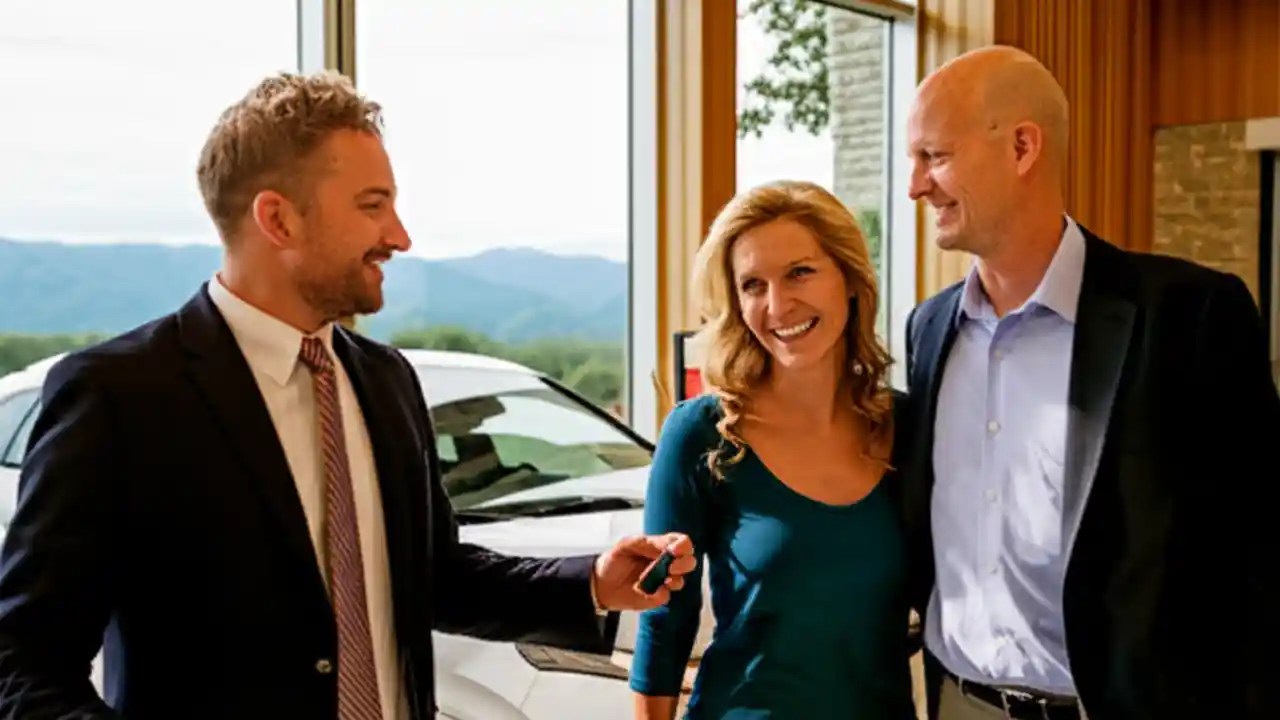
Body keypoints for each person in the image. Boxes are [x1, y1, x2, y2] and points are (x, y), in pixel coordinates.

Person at [0, 70, 696, 720]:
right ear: (278, 220)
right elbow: (25, 667)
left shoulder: (387, 380)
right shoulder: (117, 397)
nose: (400, 236)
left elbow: (435, 578)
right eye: (373, 206)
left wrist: (590, 581)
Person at [899, 45, 1280, 720]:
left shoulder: (1191, 316)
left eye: (935, 156)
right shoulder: (928, 330)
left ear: (1022, 147)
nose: (914, 186)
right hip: (958, 702)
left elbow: (1260, 557)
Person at [629, 180, 916, 719]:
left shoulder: (907, 428)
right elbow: (663, 624)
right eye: (753, 285)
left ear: (850, 280)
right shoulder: (701, 434)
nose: (778, 305)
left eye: (800, 272)